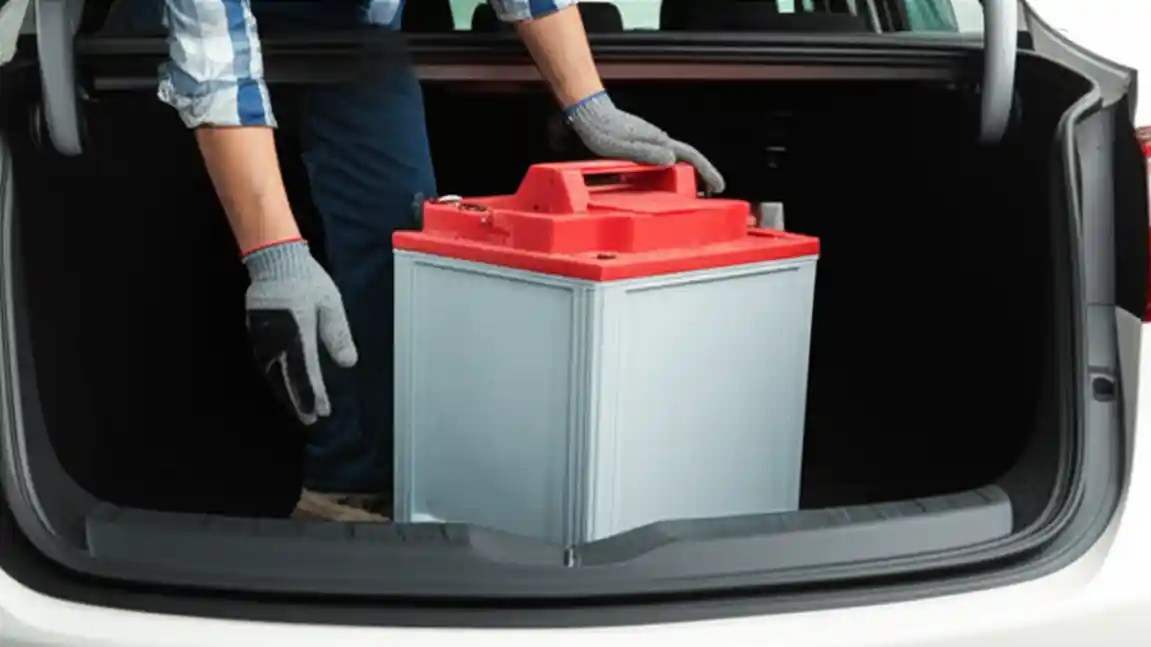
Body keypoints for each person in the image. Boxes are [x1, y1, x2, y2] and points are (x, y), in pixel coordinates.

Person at [105, 0, 725, 522]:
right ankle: (159, 476)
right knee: (166, 246)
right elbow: (214, 56)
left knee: (398, 246)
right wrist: (274, 255)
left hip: (352, 38)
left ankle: (346, 488)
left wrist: (588, 103)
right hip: (172, 36)